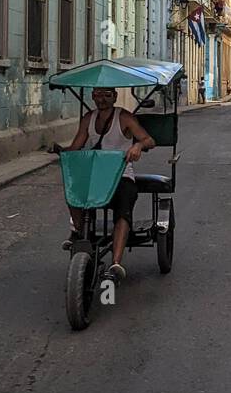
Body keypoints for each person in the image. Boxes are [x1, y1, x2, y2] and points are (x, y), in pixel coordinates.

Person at [52, 86, 156, 282]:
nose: (102, 99)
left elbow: (149, 139)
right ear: (93, 96)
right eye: (98, 94)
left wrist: (138, 145)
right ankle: (79, 233)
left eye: (107, 94)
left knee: (123, 209)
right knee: (73, 192)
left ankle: (116, 263)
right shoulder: (88, 119)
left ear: (114, 97)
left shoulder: (124, 118)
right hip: (95, 176)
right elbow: (76, 147)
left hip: (121, 175)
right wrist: (62, 151)